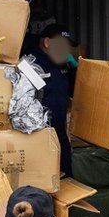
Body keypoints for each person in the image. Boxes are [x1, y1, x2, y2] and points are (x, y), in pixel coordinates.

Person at [29, 23, 79, 176]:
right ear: (47, 43)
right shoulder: (31, 64)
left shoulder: (63, 65)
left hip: (60, 133)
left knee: (66, 178)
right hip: (38, 135)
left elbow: (74, 92)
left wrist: (76, 70)